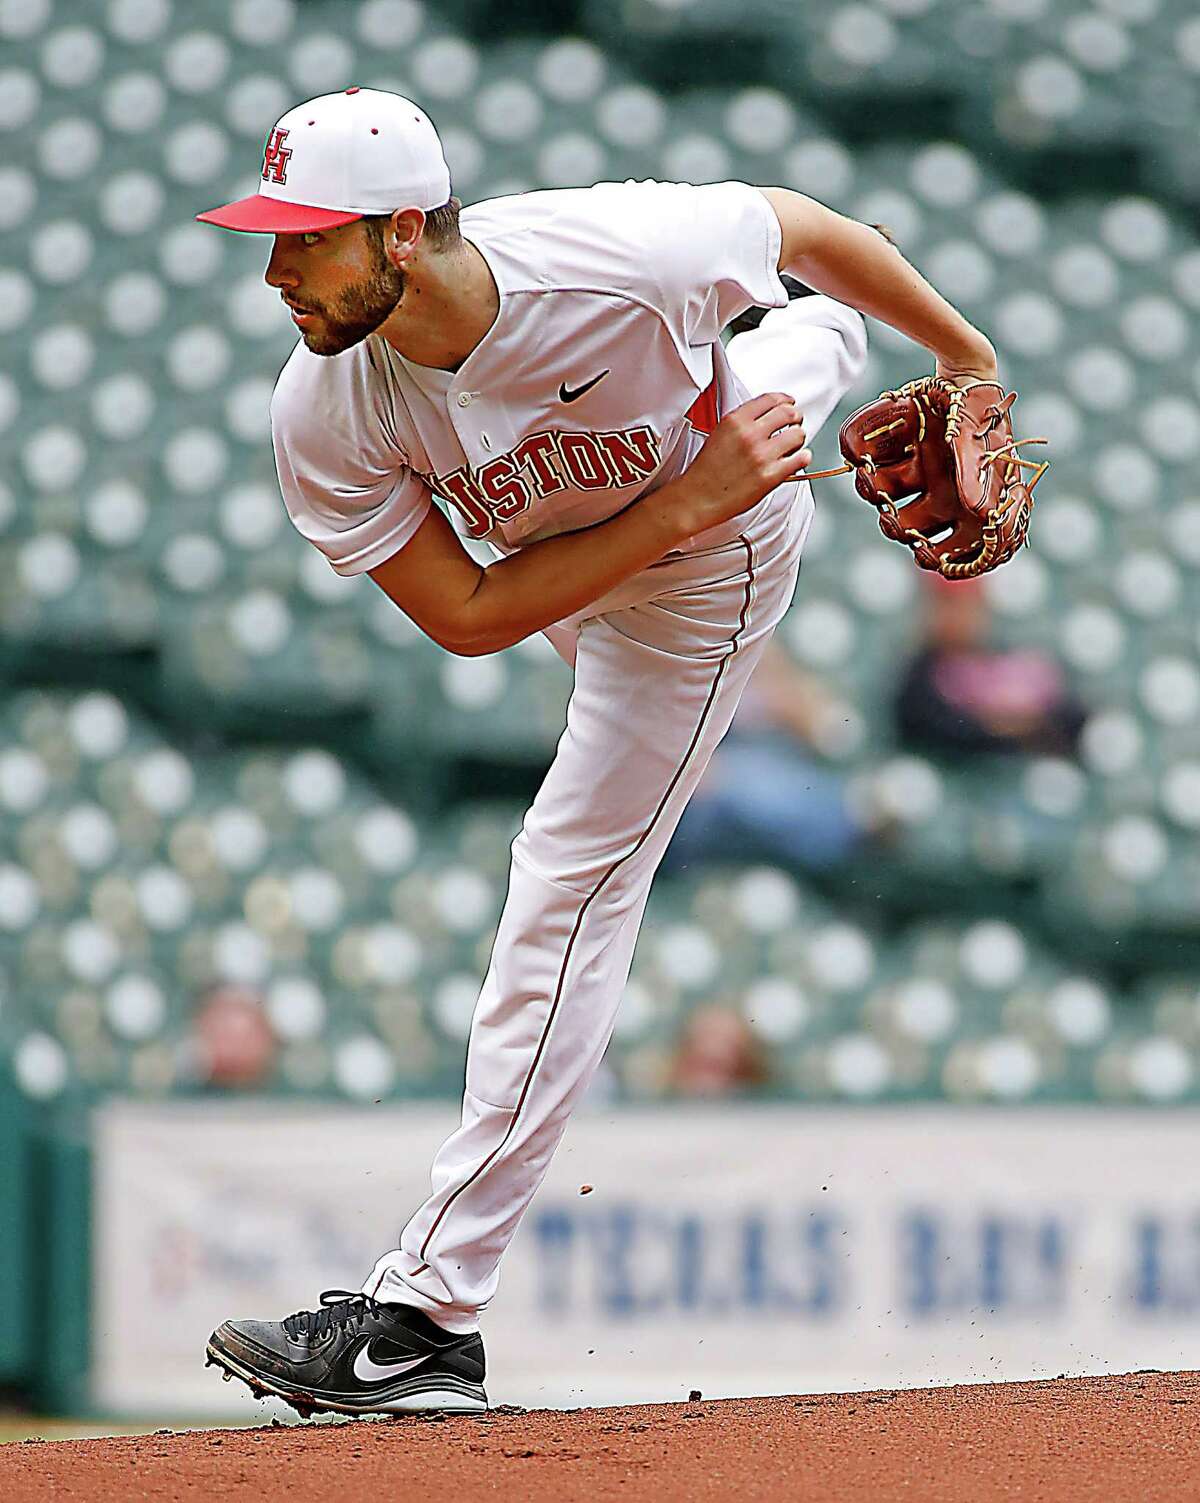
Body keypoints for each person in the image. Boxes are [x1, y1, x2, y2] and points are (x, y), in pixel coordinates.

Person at [196, 87, 1001, 1416]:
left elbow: (804, 219)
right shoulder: (324, 411)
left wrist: (969, 365)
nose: (276, 267)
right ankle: (823, 344)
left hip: (708, 575)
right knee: (757, 403)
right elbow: (467, 617)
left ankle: (424, 1319)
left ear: (402, 234)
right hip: (613, 538)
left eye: (305, 238)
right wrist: (686, 490)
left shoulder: (609, 251)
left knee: (567, 882)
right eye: (270, 236)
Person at [663, 641, 885, 876]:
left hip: (714, 753)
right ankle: (849, 822)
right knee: (735, 783)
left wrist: (792, 703)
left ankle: (851, 820)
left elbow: (759, 647)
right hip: (675, 799)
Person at [894, 575, 1087, 759]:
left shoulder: (1003, 657)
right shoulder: (918, 673)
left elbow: (1072, 720)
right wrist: (1010, 725)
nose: (959, 615)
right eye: (947, 603)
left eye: (969, 604)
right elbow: (933, 729)